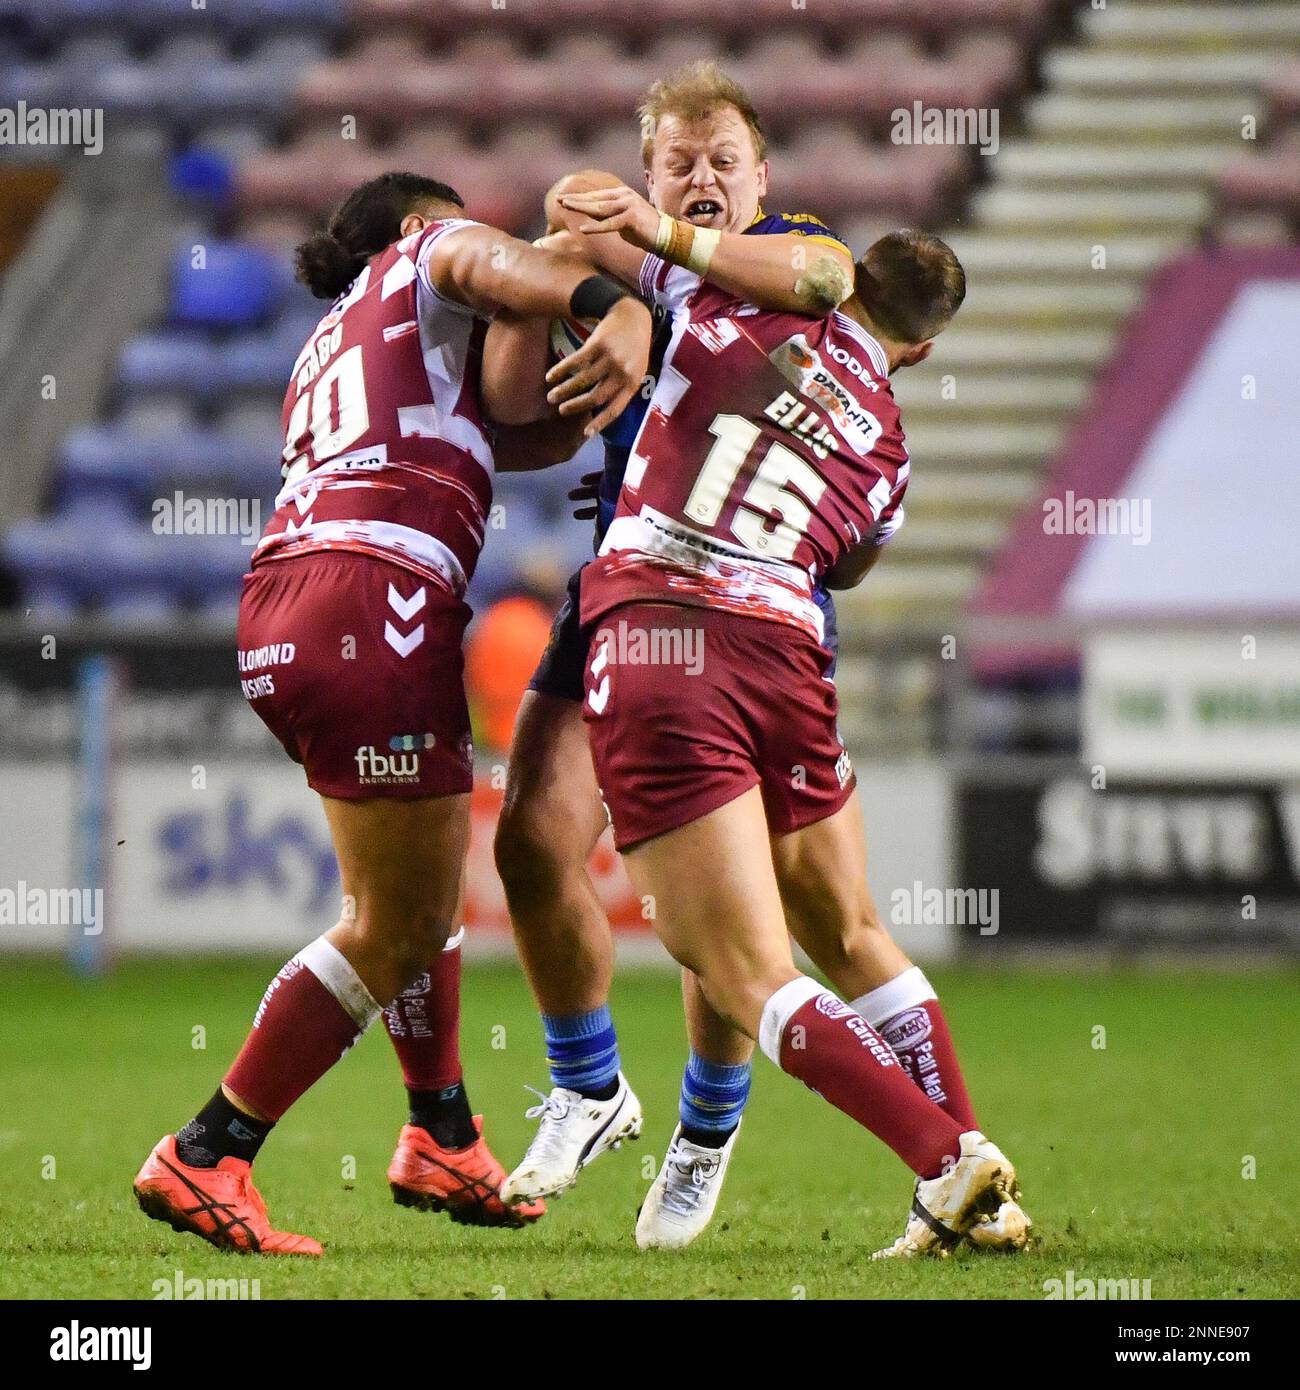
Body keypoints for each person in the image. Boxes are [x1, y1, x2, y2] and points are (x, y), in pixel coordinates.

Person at [492, 62, 1025, 1254]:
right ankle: (609, 1096)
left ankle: (855, 1147)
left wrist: (655, 265)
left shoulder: (770, 269)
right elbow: (855, 560)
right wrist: (626, 297)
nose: (702, 179)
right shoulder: (885, 440)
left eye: (724, 160)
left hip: (665, 611)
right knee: (827, 922)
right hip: (779, 624)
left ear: (765, 178)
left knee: (736, 956)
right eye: (678, 163)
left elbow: (810, 271)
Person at [132, 171, 651, 1254]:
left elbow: (530, 428)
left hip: (292, 606)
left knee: (414, 895)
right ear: (422, 224)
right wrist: (616, 301)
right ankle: (208, 1149)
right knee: (397, 921)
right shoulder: (427, 250)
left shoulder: (345, 347)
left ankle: (443, 1130)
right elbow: (504, 270)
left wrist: (570, 300)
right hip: (377, 598)